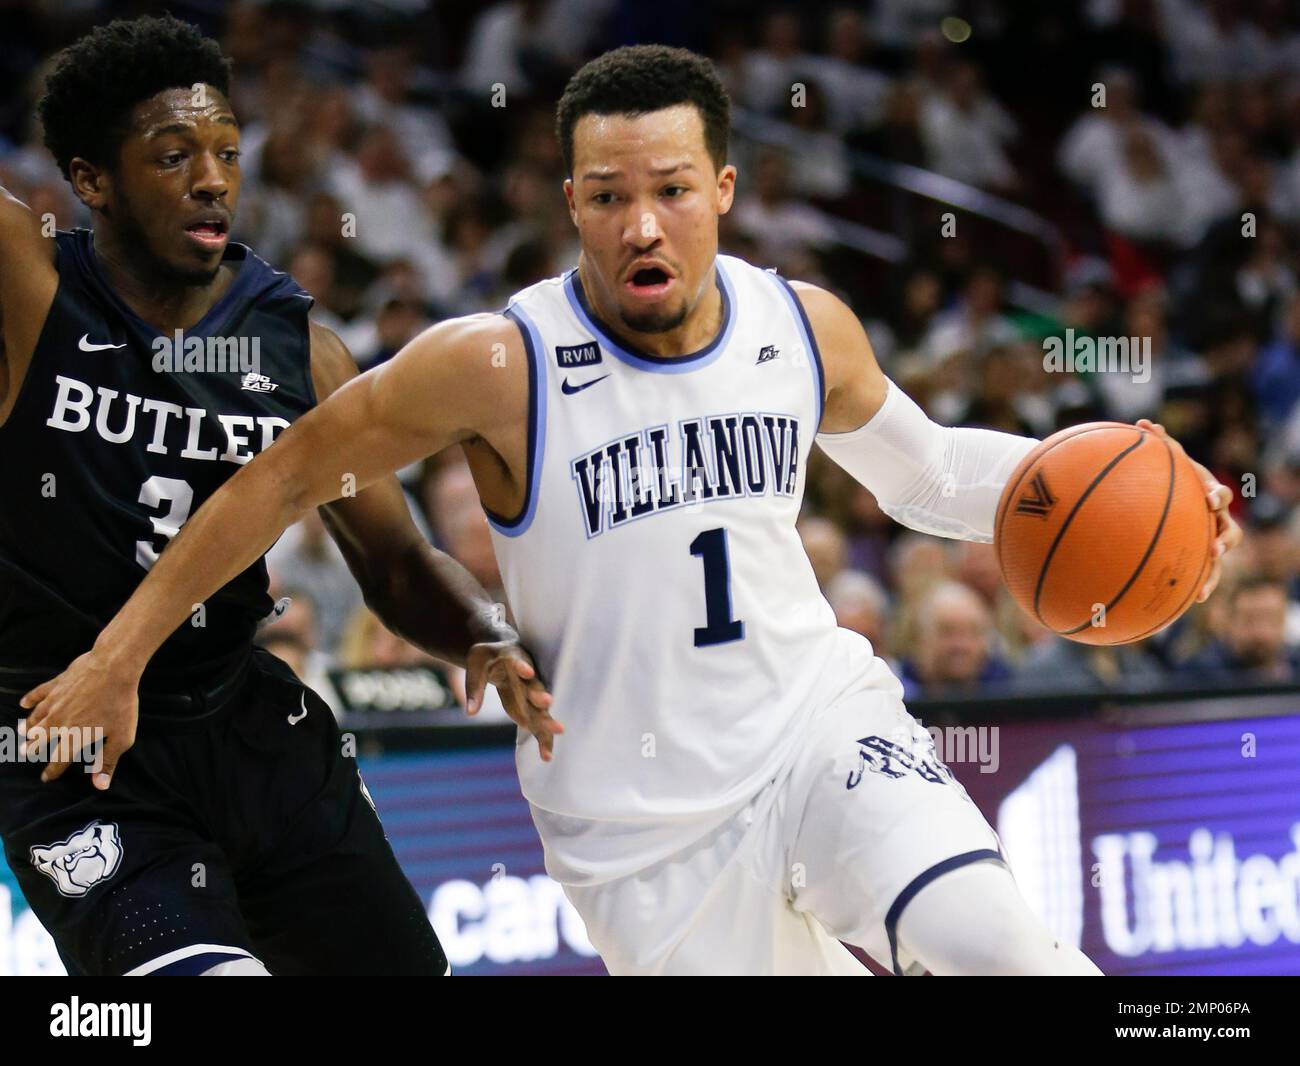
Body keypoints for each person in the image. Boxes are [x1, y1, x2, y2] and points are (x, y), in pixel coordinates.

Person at [24, 45, 1241, 977]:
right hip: (638, 828)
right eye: (608, 196)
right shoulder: (497, 363)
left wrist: (1154, 493)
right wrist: (120, 654)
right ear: (570, 202)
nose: (641, 222)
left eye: (670, 188)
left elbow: (923, 476)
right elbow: (283, 474)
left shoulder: (802, 323)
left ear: (721, 187)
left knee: (1002, 948)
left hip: (816, 731)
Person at [0, 15, 551, 976]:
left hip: (256, 730)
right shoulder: (30, 292)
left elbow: (393, 557)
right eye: (172, 157)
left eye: (224, 151)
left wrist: (479, 630)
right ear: (91, 181)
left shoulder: (298, 349)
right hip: (74, 752)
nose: (212, 178)